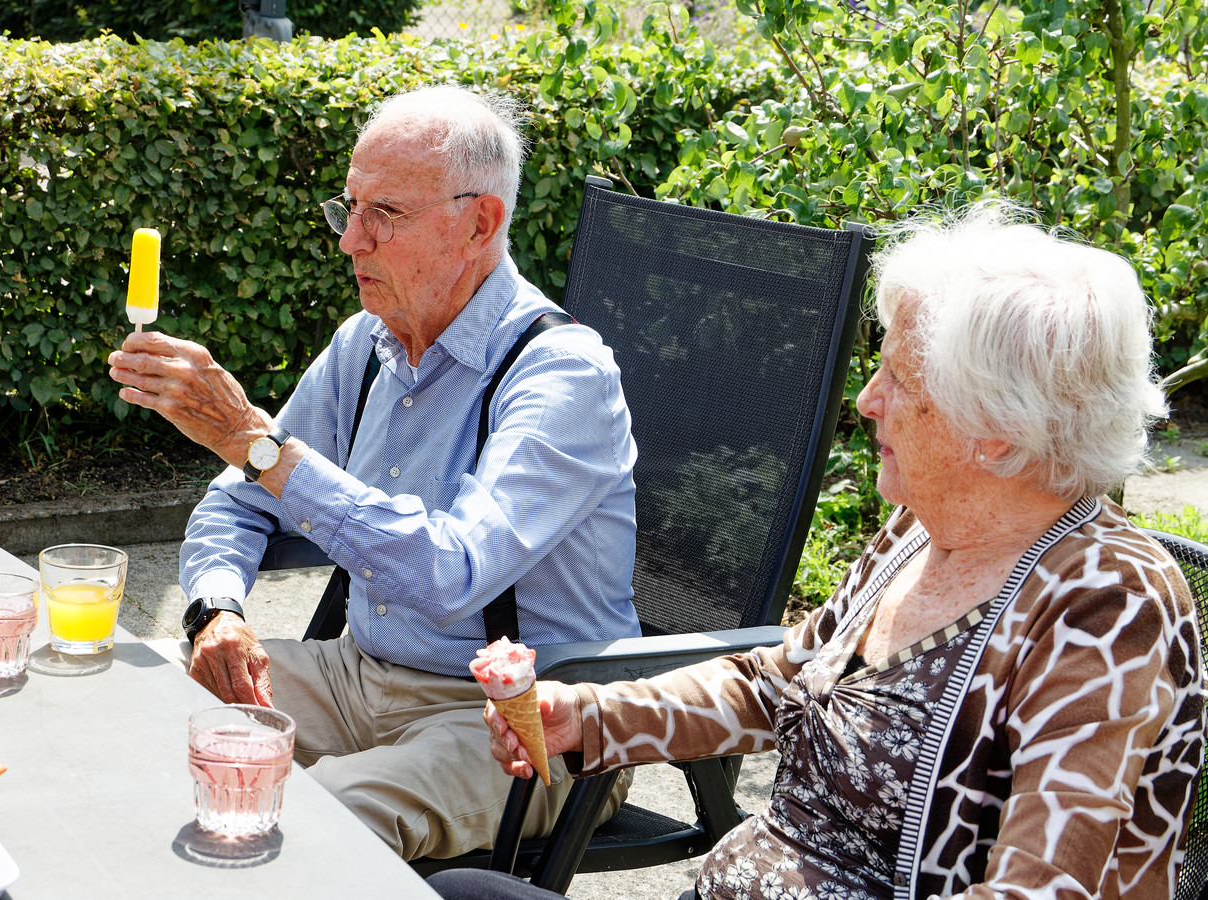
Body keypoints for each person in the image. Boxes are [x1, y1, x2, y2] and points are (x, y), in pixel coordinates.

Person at [428, 202, 1206, 900]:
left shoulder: (1108, 606)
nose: (868, 399)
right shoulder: (926, 530)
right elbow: (780, 684)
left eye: (900, 378)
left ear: (995, 428)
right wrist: (589, 715)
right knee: (462, 893)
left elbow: (1039, 892)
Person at [106, 83, 639, 860]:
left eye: (384, 215)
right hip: (358, 677)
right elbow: (241, 500)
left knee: (307, 820)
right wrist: (214, 610)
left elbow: (455, 572)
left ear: (479, 224)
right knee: (130, 707)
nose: (352, 240)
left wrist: (258, 443)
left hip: (524, 719)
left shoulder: (562, 377)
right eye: (348, 208)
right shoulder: (367, 345)